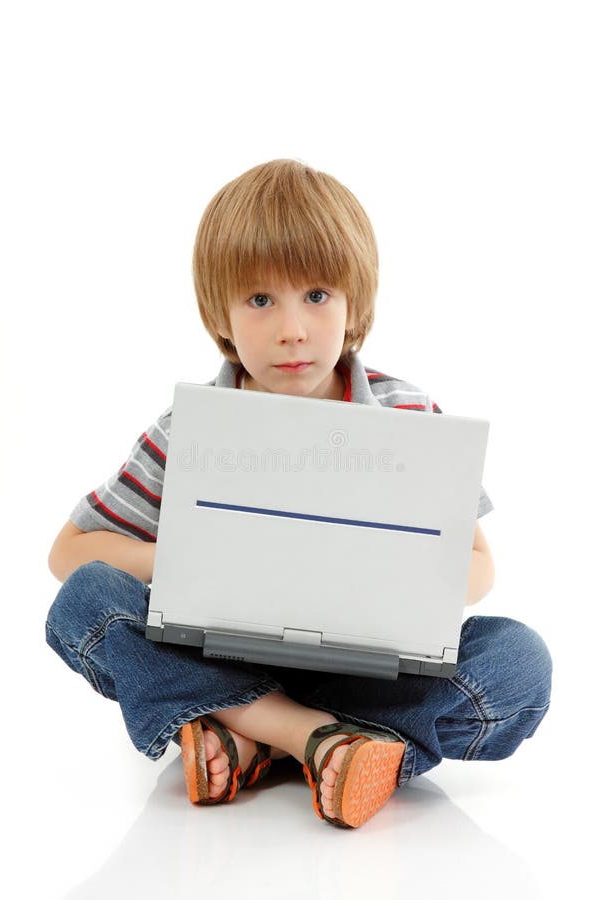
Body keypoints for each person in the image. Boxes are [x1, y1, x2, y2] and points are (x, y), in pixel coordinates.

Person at [46, 159, 552, 829]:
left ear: (354, 304)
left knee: (520, 662)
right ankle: (323, 741)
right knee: (82, 601)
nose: (293, 329)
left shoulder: (405, 414)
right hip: (216, 652)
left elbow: (479, 568)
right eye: (261, 300)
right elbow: (69, 551)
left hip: (364, 670)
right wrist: (199, 555)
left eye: (317, 295)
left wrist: (381, 572)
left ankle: (249, 735)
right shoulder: (192, 428)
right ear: (219, 314)